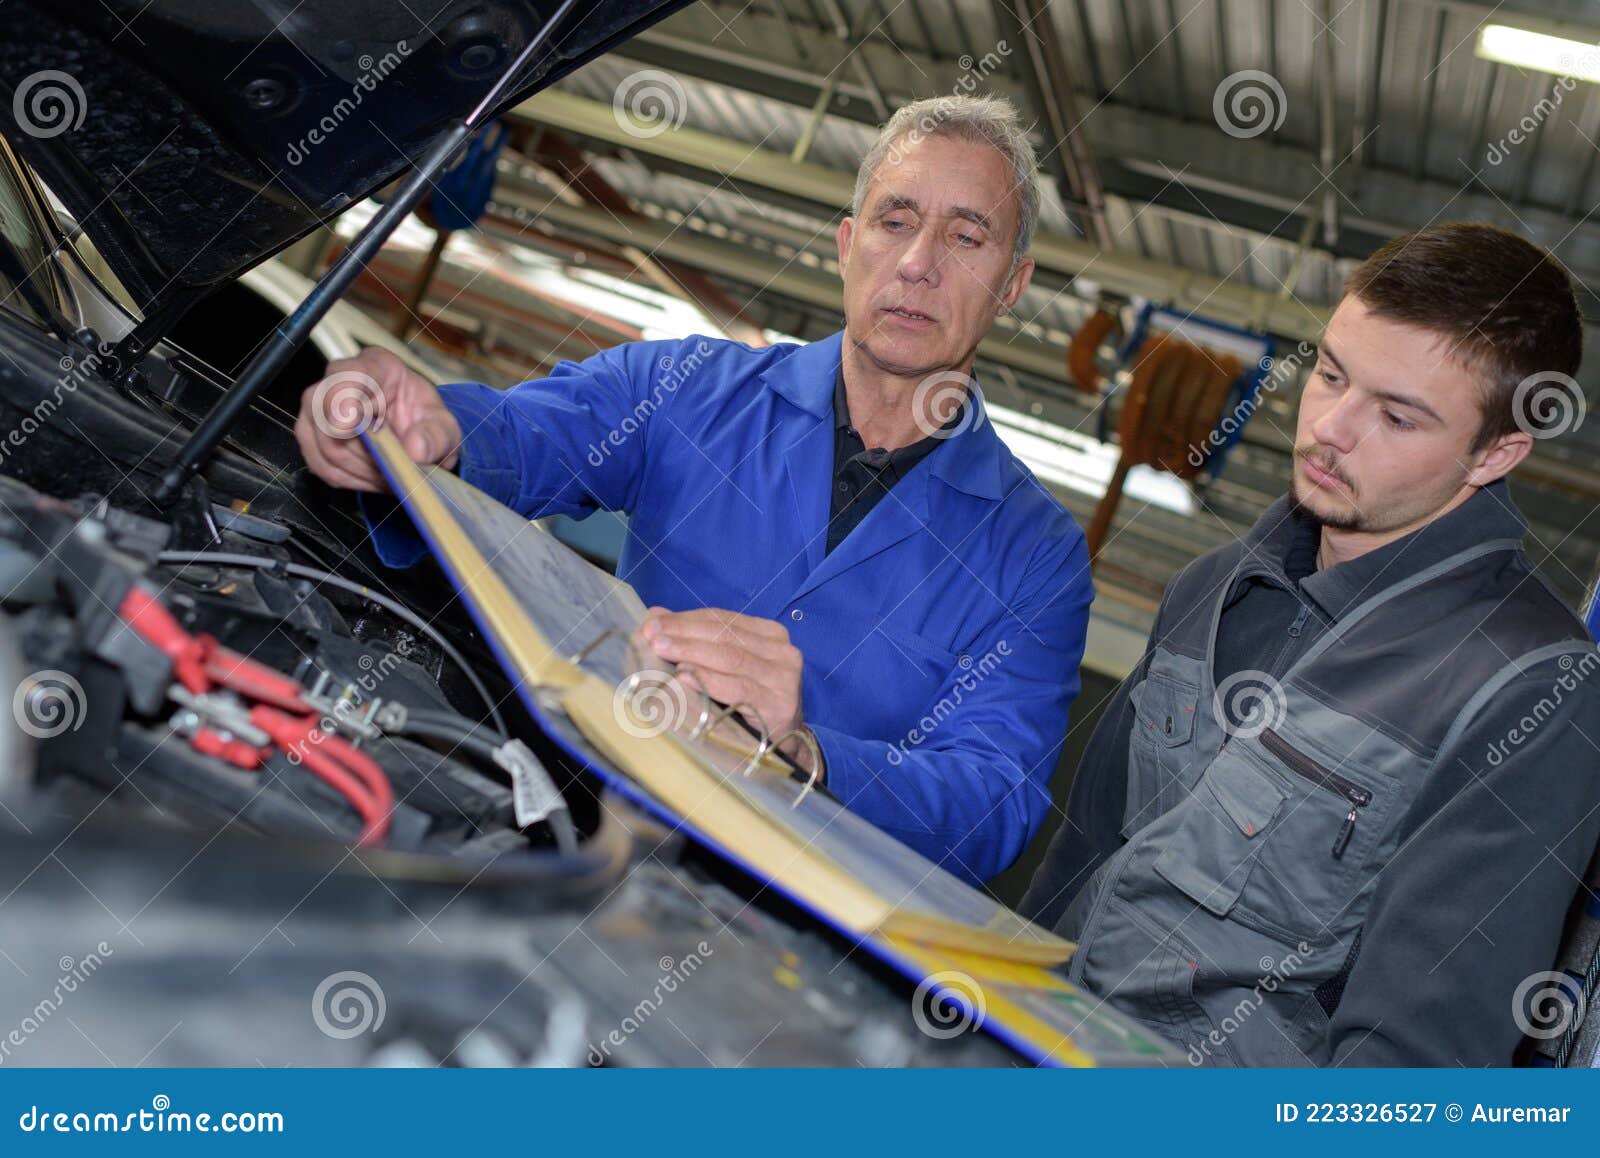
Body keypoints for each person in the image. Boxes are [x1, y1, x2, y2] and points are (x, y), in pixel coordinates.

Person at [295, 95, 1093, 884]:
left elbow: (996, 799)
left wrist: (810, 753)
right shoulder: (684, 387)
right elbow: (527, 434)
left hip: (791, 935)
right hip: (582, 837)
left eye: (966, 236)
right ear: (849, 246)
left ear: (1012, 284)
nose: (919, 263)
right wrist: (435, 433)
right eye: (895, 221)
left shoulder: (1037, 556)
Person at [1022, 222, 1600, 1065]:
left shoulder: (1528, 688)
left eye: (1397, 417)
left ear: (1497, 452)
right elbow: (1077, 866)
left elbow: (1411, 1059)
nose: (1331, 428)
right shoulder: (1210, 588)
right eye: (1330, 374)